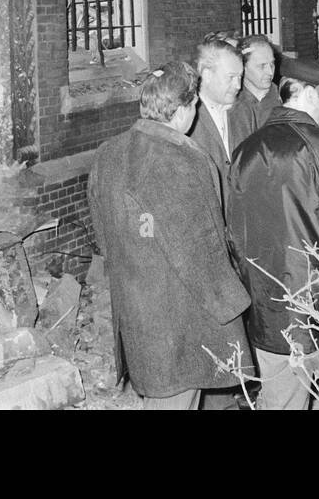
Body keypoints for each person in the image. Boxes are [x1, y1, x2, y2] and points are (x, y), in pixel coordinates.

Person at [89, 62, 252, 410]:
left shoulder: (107, 154)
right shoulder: (181, 159)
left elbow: (104, 237)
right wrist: (234, 303)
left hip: (138, 314)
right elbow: (199, 248)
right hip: (179, 323)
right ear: (183, 109)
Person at [227, 56, 319, 409]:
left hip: (265, 309)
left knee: (279, 401)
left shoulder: (244, 150)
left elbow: (233, 234)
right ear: (310, 93)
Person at [189, 37, 257, 204]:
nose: (238, 85)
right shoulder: (187, 118)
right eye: (231, 77)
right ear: (207, 75)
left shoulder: (245, 112)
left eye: (240, 77)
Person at [237, 34, 280, 126]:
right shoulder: (231, 103)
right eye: (262, 65)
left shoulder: (284, 99)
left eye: (272, 64)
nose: (270, 72)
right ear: (243, 67)